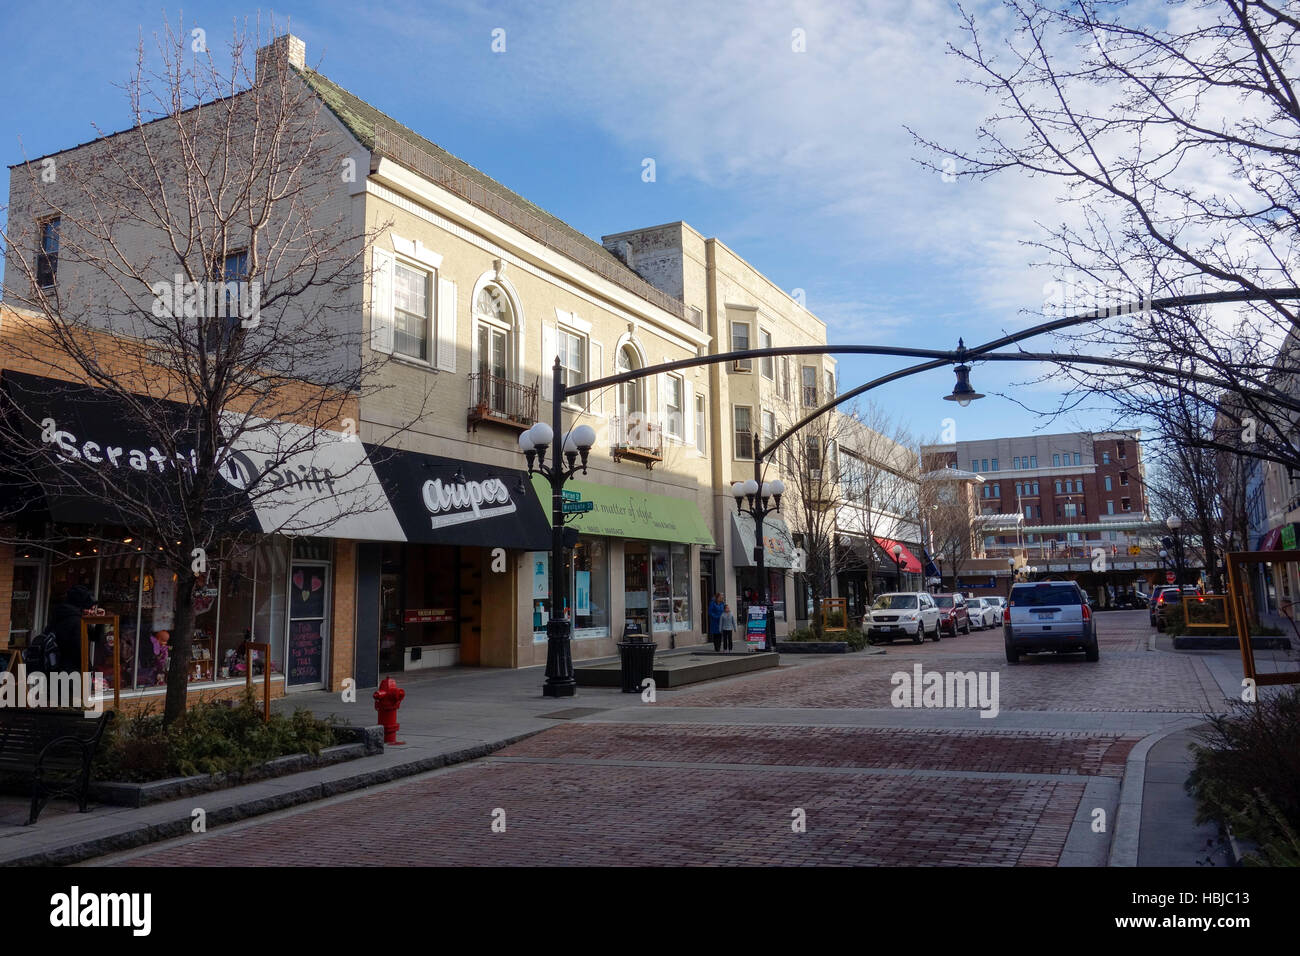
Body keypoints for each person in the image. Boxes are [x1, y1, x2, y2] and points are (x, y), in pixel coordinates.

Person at [49, 584, 100, 673]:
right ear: (81, 605)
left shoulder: (62, 615)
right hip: (72, 672)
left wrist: (100, 621)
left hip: (56, 669)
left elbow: (95, 636)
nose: (91, 611)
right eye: (88, 608)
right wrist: (89, 669)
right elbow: (79, 651)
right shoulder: (76, 621)